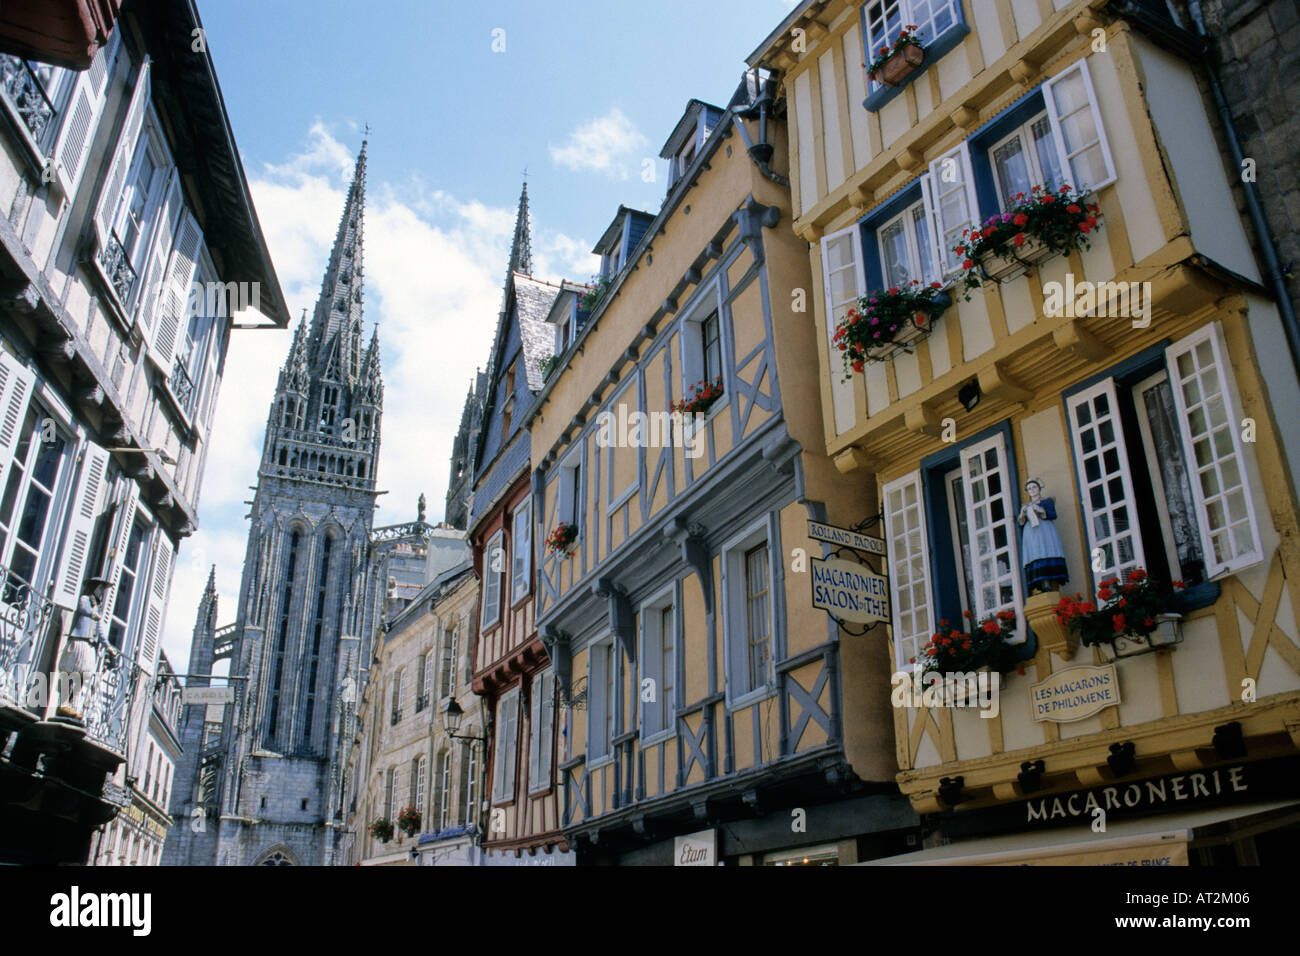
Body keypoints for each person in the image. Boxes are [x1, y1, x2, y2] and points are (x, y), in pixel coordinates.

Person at [55, 577, 109, 719]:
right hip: (79, 640)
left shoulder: (97, 607)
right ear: (94, 587)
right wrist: (92, 614)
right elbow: (82, 608)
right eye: (100, 588)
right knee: (70, 672)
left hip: (89, 644)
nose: (101, 592)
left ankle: (72, 705)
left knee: (82, 675)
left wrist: (107, 646)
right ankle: (64, 703)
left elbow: (100, 630)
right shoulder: (85, 599)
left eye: (102, 590)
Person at [1018, 479, 1068, 594]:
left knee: (1047, 552)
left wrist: (1040, 509)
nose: (1032, 490)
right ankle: (1043, 585)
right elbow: (1021, 522)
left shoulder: (1047, 501)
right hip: (1032, 535)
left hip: (1045, 531)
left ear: (1039, 488)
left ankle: (1051, 584)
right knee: (1036, 555)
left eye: (1034, 487)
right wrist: (1023, 513)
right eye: (1029, 489)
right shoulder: (1026, 506)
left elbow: (1052, 514)